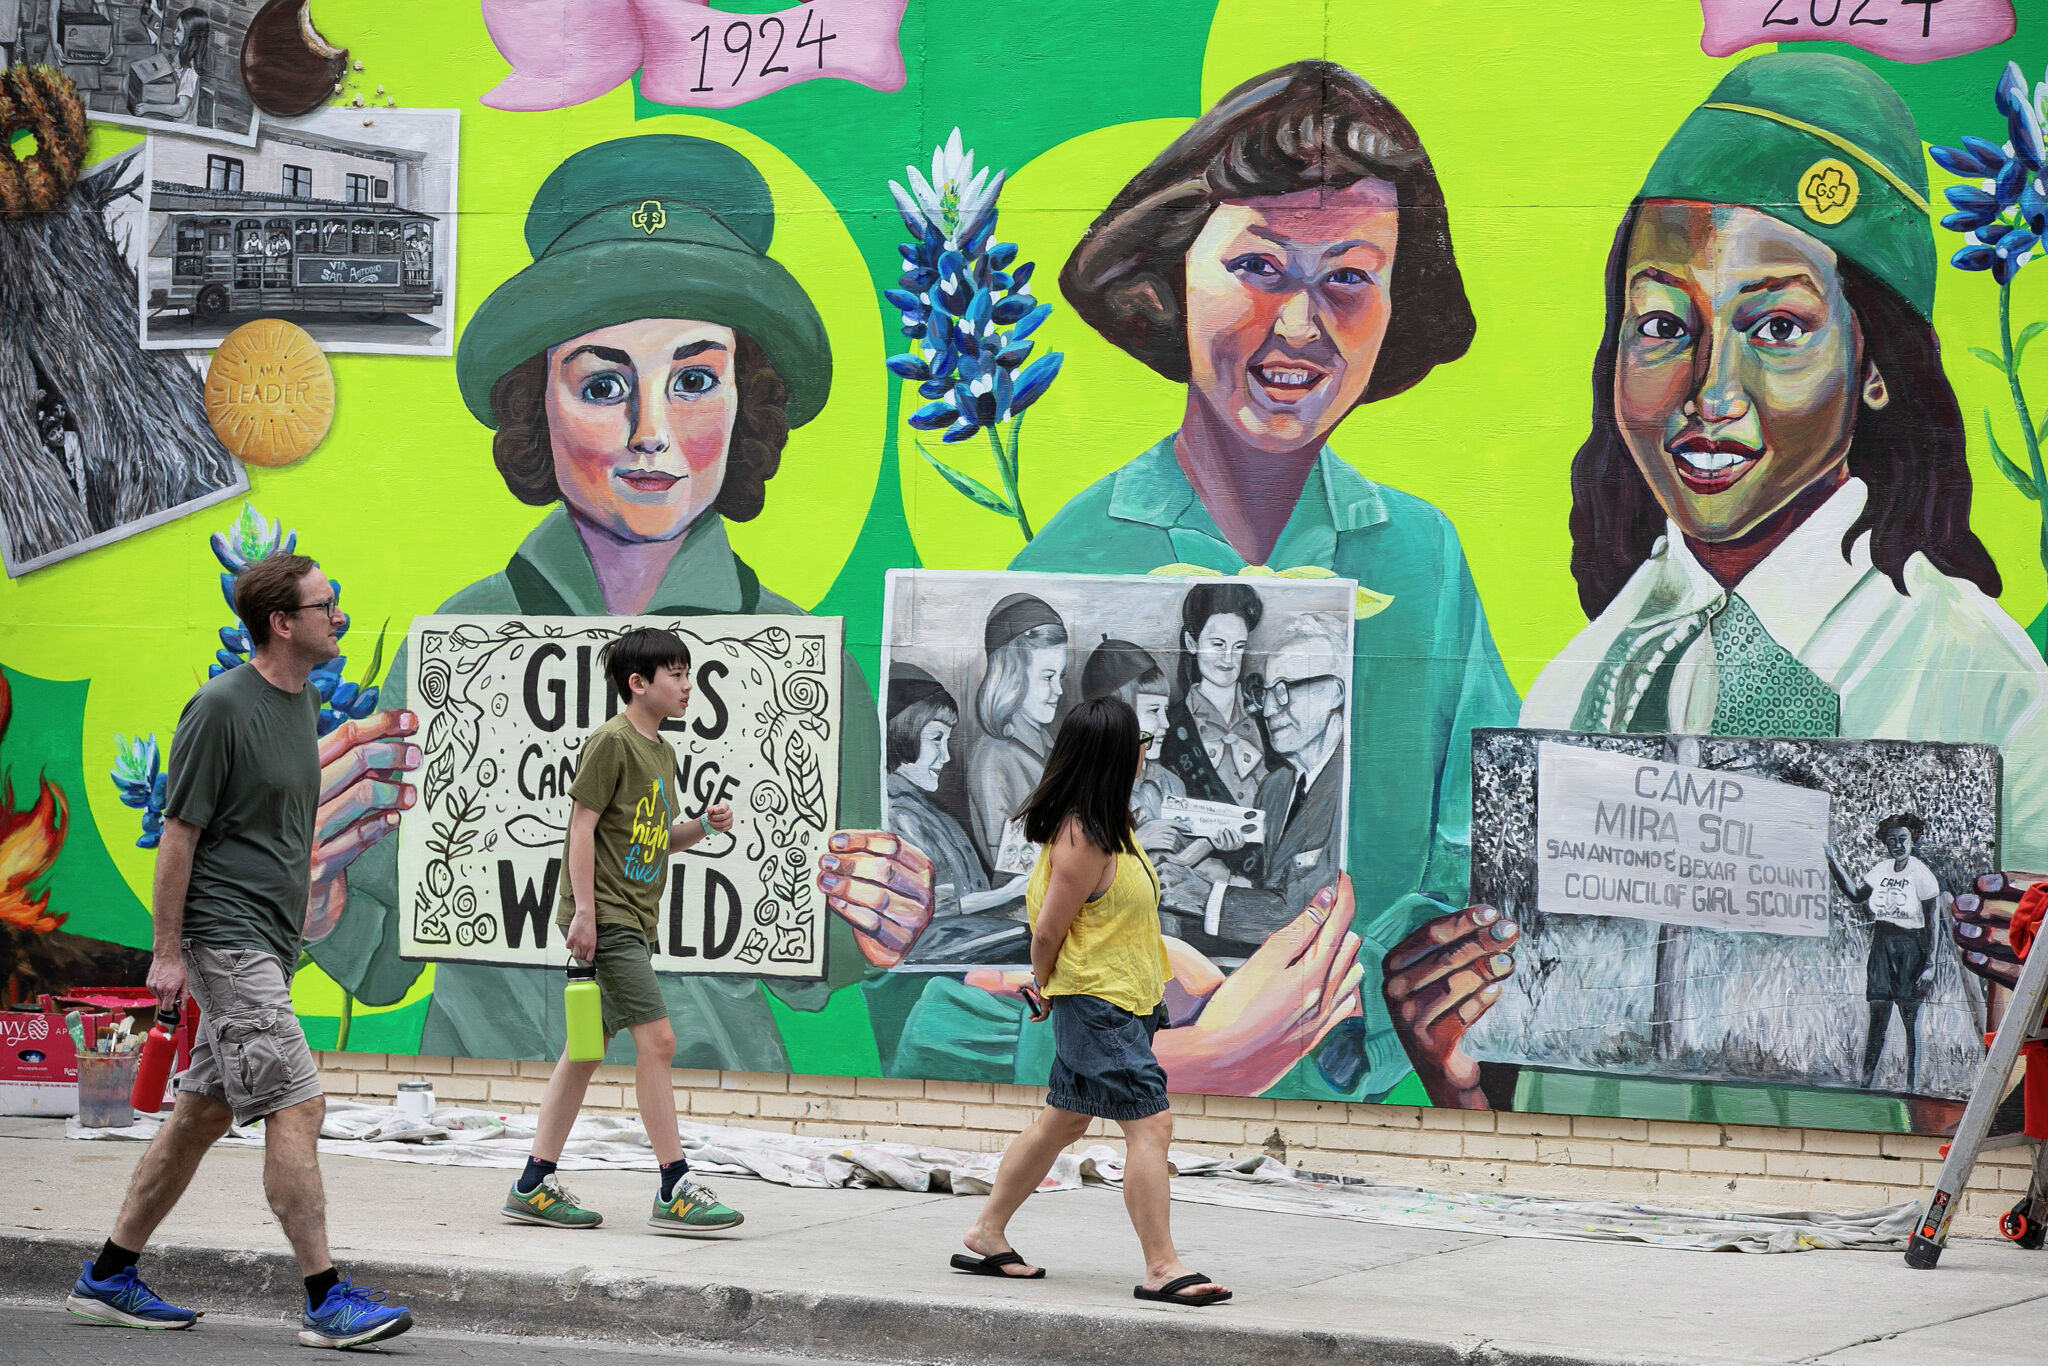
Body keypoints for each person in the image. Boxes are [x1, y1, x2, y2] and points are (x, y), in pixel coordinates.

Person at [1390, 53, 2048, 1125]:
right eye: (1662, 326)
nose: (1708, 394)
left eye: (1775, 328)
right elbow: (1569, 1086)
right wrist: (1464, 1075)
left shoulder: (1980, 683)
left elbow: (2005, 1075)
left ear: (1871, 362)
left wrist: (1992, 1056)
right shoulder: (1576, 692)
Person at [302, 135, 934, 1068]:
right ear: (539, 407)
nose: (652, 435)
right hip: (493, 1098)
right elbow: (388, 964)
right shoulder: (464, 637)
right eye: (603, 385)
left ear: (743, 398)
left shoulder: (802, 657)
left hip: (718, 1108)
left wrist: (879, 919)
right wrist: (319, 893)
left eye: (694, 381)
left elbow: (810, 965)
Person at [996, 59, 1520, 1102]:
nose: (1297, 327)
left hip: (1368, 1127)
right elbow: (1002, 901)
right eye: (1259, 267)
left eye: (1346, 278)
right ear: (1168, 278)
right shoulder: (1070, 555)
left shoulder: (1424, 556)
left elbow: (1488, 852)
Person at [65, 553, 414, 1350]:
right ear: (282, 623)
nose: (341, 617)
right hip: (226, 943)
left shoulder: (301, 703)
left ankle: (109, 1276)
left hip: (267, 943)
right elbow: (177, 835)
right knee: (300, 1102)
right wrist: (167, 951)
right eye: (327, 605)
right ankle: (325, 1298)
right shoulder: (222, 708)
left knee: (201, 1116)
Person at [953, 697, 1229, 1307]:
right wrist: (1044, 985)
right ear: (1118, 753)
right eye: (1142, 743)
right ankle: (1162, 1265)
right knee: (1150, 1123)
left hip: (1120, 1002)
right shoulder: (1082, 834)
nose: (1146, 754)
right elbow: (1048, 930)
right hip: (1097, 1005)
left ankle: (986, 1231)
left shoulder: (1109, 825)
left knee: (1065, 1120)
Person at [501, 628, 743, 1234]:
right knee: (658, 1042)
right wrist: (584, 912)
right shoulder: (612, 742)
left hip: (631, 914)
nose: (688, 685)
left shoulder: (660, 751)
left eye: (689, 672)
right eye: (676, 674)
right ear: (639, 684)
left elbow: (656, 842)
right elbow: (580, 826)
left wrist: (702, 827)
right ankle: (675, 1185)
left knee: (583, 1050)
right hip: (607, 915)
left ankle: (533, 1184)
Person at [1159, 617, 1347, 957]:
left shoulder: (1351, 788)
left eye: (1286, 690)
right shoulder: (1274, 789)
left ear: (1334, 692)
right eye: (1267, 692)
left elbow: (1307, 917)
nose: (1271, 709)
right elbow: (1267, 887)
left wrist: (1203, 897)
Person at [884, 661, 1026, 919]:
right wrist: (1011, 892)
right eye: (936, 738)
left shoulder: (927, 811)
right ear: (901, 733)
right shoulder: (899, 815)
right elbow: (935, 907)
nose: (946, 756)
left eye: (947, 741)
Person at [1827, 814, 1942, 1092]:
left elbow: (1934, 921)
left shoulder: (1922, 875)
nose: (1897, 845)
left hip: (1912, 948)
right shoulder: (1880, 870)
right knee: (1878, 1019)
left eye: (1902, 839)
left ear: (1912, 840)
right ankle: (1866, 1084)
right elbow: (1856, 894)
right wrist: (1831, 860)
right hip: (1882, 945)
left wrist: (1930, 963)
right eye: (1892, 841)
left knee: (1910, 1021)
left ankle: (1912, 1090)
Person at [967, 594, 1068, 872]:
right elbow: (1012, 865)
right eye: (1048, 677)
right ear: (1011, 677)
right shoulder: (993, 757)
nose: (1059, 690)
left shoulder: (1050, 746)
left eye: (1062, 676)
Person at [1161, 582, 1269, 812]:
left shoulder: (1267, 715)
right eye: (1218, 644)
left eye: (1238, 646)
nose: (1228, 658)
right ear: (1192, 643)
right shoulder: (1169, 726)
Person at [128, 9, 207, 123]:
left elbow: (180, 109)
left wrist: (148, 107)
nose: (174, 33)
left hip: (180, 128)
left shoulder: (191, 71)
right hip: (170, 120)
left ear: (190, 36)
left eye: (179, 30)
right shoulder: (180, 57)